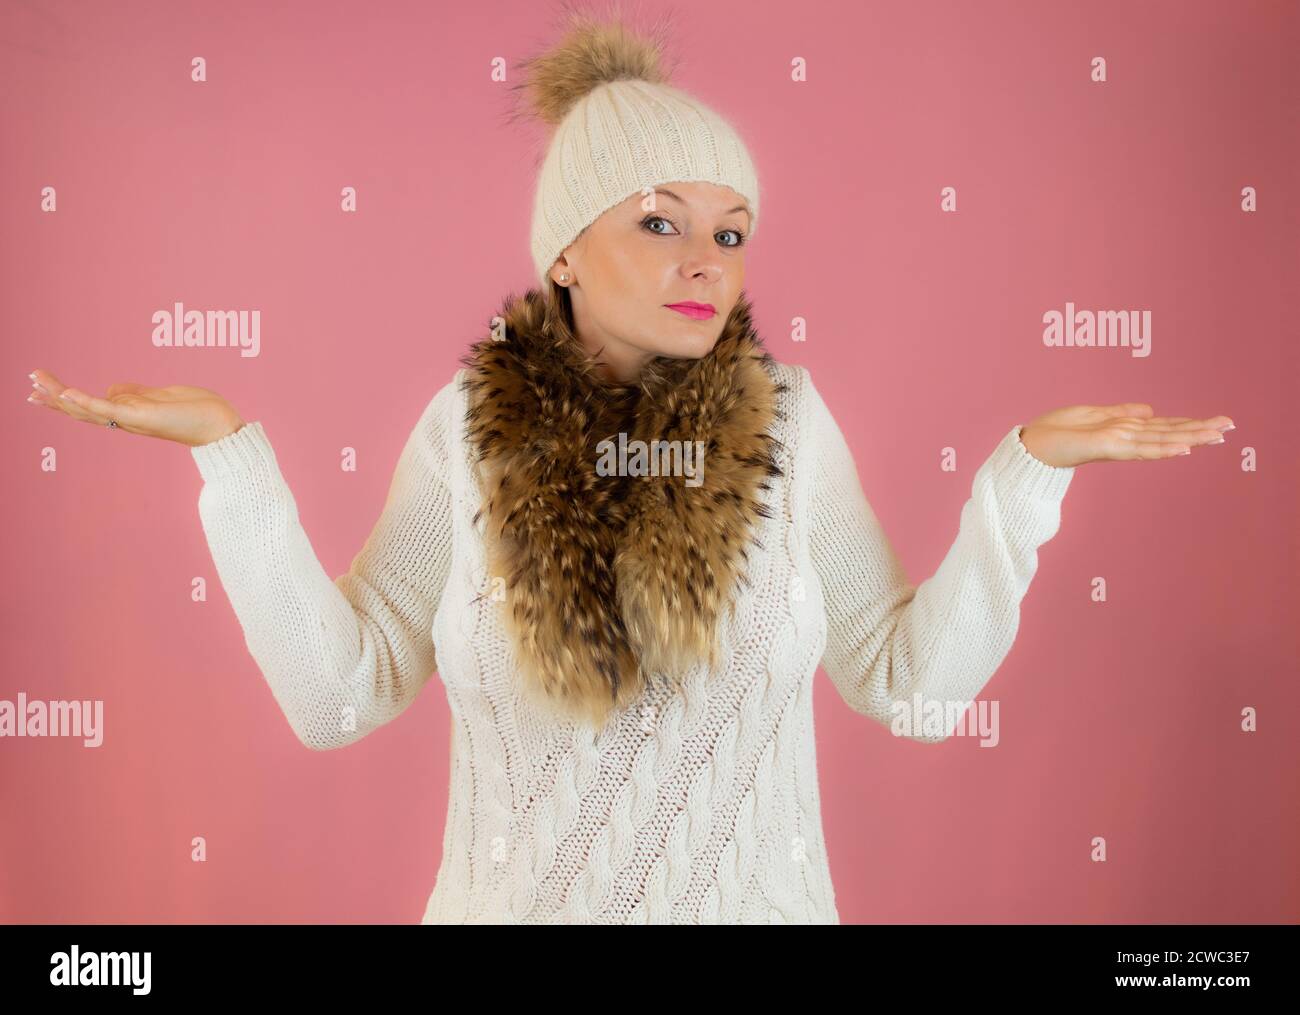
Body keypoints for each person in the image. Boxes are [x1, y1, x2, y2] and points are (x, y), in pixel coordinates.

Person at [24, 11, 1233, 924]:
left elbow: (907, 687)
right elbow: (339, 698)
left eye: (730, 232)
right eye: (657, 221)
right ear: (564, 249)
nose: (703, 260)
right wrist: (234, 468)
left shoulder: (790, 427)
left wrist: (1020, 480)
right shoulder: (468, 433)